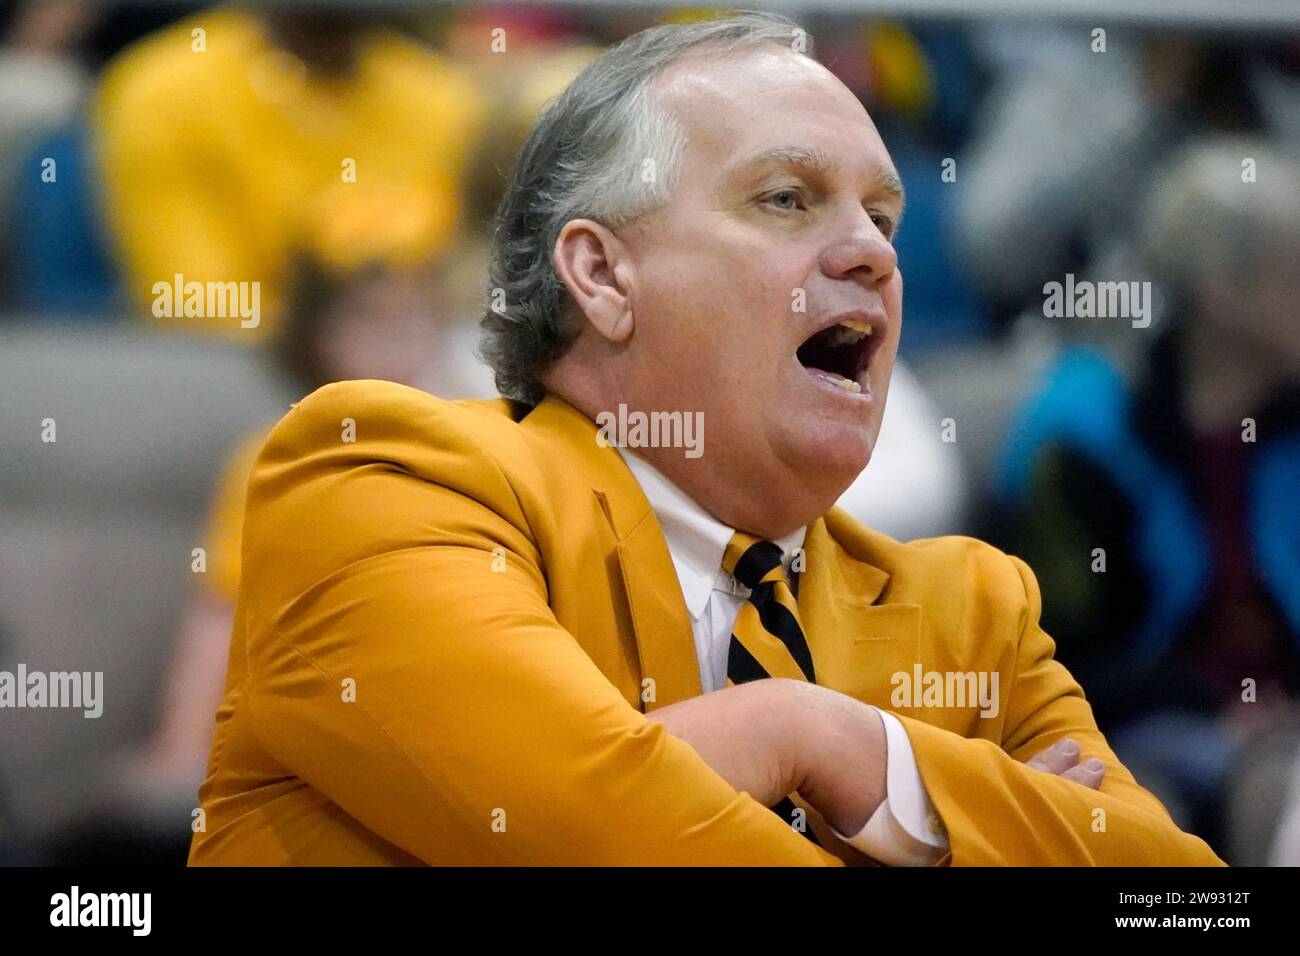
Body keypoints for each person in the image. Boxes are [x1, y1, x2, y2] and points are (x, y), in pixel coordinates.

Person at [189, 12, 1222, 866]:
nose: (869, 251)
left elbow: (1178, 895)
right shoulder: (379, 481)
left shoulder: (971, 614)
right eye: (786, 198)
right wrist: (804, 735)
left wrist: (850, 748)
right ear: (600, 276)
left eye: (884, 217)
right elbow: (575, 826)